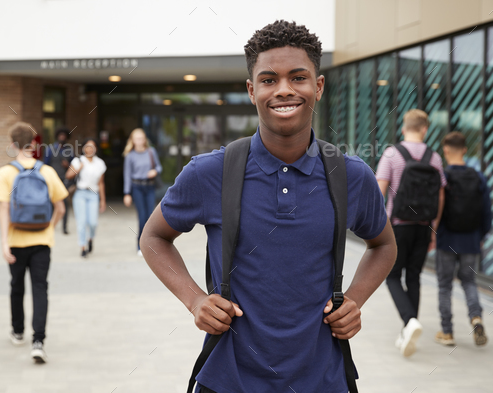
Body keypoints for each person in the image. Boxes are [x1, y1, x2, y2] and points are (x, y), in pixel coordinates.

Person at [140, 20, 397, 393]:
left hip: (323, 378)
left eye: (298, 77)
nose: (284, 90)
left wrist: (354, 300)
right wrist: (195, 300)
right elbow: (153, 237)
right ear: (251, 90)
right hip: (228, 380)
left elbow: (384, 244)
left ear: (318, 87)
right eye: (268, 80)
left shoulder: (351, 175)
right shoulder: (211, 172)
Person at [0, 122, 68, 363]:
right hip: (42, 241)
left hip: (15, 241)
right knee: (40, 288)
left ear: (13, 145)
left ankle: (17, 330)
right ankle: (38, 341)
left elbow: (3, 209)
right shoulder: (46, 172)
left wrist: (4, 243)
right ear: (34, 143)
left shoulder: (6, 173)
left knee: (16, 286)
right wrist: (48, 228)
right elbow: (61, 208)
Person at [376, 109, 447, 357]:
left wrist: (378, 228)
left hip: (397, 225)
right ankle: (409, 327)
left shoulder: (392, 154)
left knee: (393, 276)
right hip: (424, 226)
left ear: (403, 128)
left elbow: (379, 189)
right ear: (425, 129)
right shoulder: (435, 158)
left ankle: (409, 322)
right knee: (414, 276)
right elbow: (440, 195)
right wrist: (434, 229)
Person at [434, 131, 489, 346]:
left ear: (445, 150)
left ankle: (447, 332)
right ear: (465, 150)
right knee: (469, 281)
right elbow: (487, 212)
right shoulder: (479, 177)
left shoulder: (443, 177)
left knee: (445, 285)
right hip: (471, 241)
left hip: (447, 239)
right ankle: (476, 317)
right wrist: (480, 236)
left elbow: (436, 209)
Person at [122, 128, 162, 256]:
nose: (139, 140)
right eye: (137, 138)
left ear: (144, 139)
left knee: (150, 216)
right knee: (142, 216)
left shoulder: (151, 151)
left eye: (141, 138)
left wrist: (155, 171)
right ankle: (140, 245)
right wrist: (127, 193)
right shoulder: (130, 155)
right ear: (132, 140)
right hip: (137, 187)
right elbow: (127, 175)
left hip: (149, 186)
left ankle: (150, 244)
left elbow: (159, 166)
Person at [66, 138, 106, 258]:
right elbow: (68, 175)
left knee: (93, 222)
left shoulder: (100, 163)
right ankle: (83, 247)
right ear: (83, 148)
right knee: (81, 222)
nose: (90, 149)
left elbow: (101, 183)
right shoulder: (78, 160)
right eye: (87, 146)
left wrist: (103, 201)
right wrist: (79, 168)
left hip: (93, 194)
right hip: (80, 193)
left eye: (92, 146)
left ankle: (90, 238)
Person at [43, 126, 74, 234]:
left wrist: (68, 165)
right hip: (52, 180)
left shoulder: (70, 150)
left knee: (65, 203)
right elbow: (45, 165)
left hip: (64, 180)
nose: (62, 137)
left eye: (64, 135)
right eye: (60, 135)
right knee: (51, 203)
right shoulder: (50, 149)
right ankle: (50, 225)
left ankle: (64, 227)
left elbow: (74, 167)